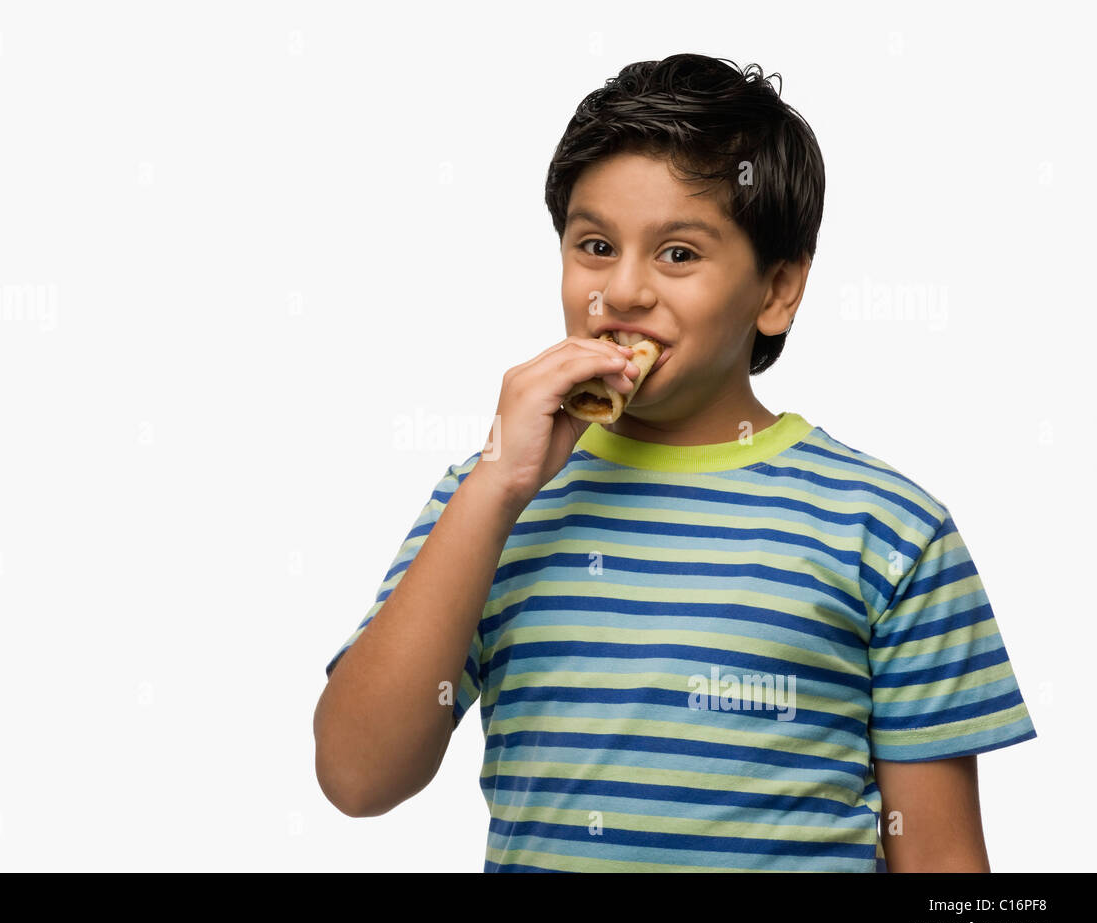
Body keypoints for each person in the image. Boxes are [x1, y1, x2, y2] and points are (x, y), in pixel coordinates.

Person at [313, 54, 1036, 872]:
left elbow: (943, 867)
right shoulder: (489, 500)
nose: (621, 291)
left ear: (779, 290)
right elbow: (356, 775)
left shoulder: (890, 530)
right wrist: (495, 488)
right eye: (594, 245)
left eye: (679, 255)